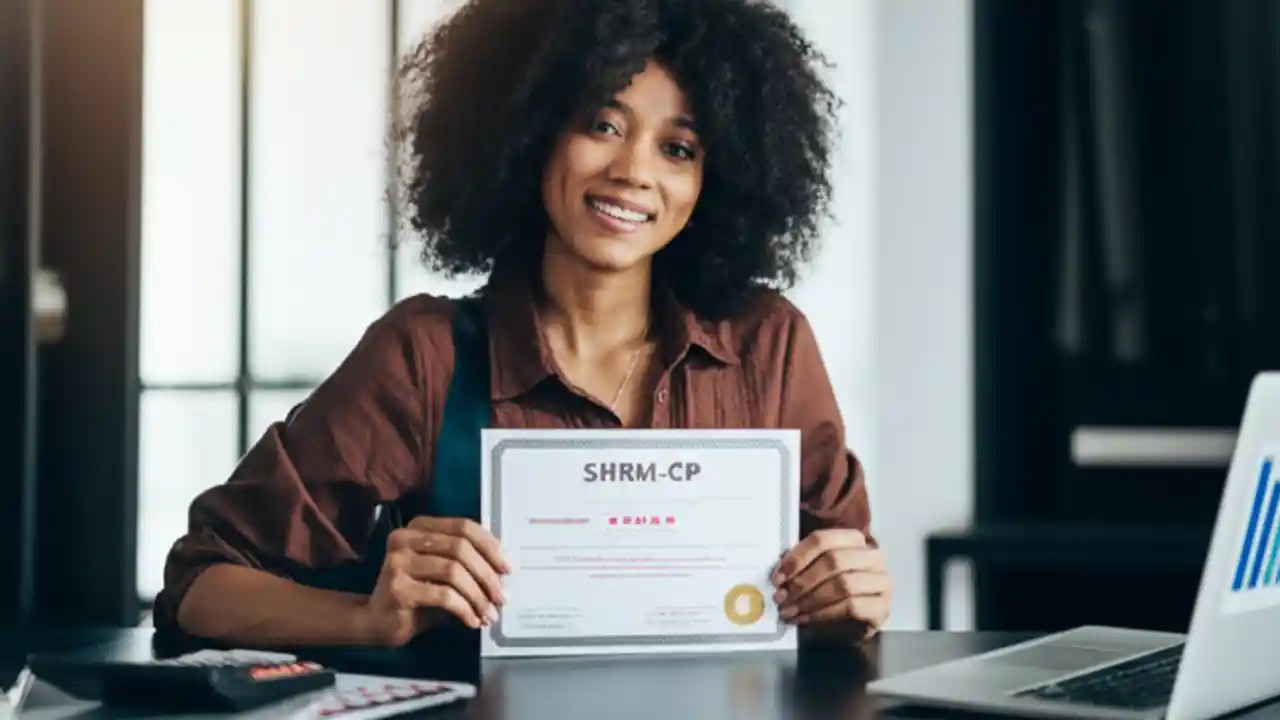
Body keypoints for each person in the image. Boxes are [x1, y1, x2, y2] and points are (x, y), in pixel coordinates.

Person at [156, 0, 891, 649]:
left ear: (714, 179)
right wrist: (367, 618)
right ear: (530, 130)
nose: (634, 171)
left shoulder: (769, 347)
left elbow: (844, 582)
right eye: (602, 123)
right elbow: (199, 586)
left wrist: (851, 598)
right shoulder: (426, 357)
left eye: (678, 148)